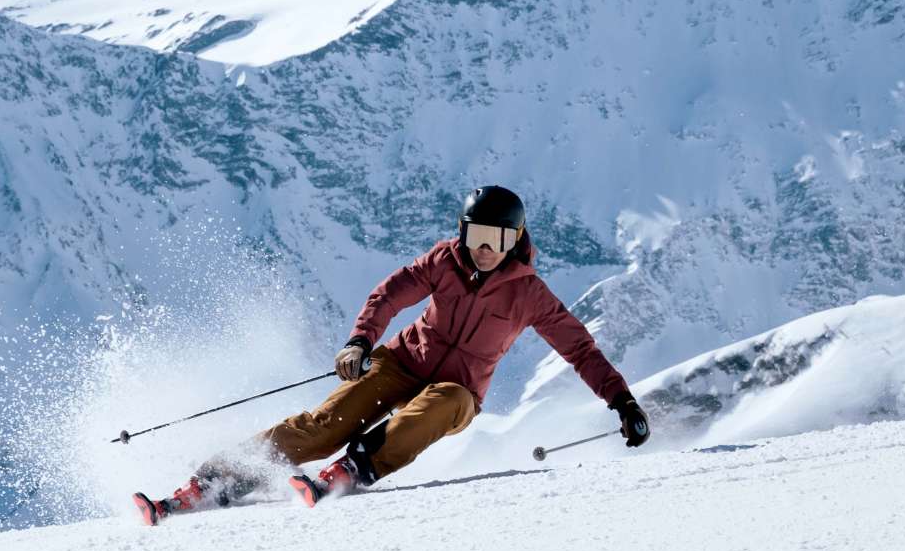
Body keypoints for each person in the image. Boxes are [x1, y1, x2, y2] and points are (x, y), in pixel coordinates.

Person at [137, 185, 651, 523]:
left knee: (441, 406)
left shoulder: (528, 294)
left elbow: (579, 348)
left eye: (497, 239)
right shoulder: (445, 261)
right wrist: (361, 340)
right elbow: (391, 294)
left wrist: (622, 401)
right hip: (402, 362)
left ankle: (352, 468)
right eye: (476, 235)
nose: (484, 249)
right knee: (324, 425)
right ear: (463, 232)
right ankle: (213, 479)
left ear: (514, 240)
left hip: (458, 389)